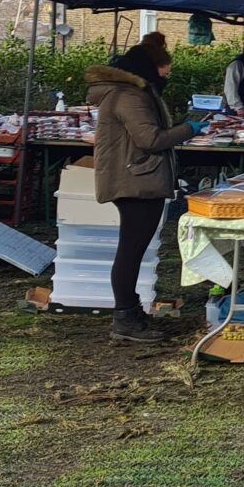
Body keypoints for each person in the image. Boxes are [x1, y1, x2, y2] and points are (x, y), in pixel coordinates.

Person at [86, 31, 199, 344]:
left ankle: (130, 311)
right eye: (164, 66)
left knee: (133, 250)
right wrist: (190, 129)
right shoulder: (131, 96)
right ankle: (125, 317)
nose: (168, 72)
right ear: (150, 67)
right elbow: (149, 140)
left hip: (136, 177)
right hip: (136, 180)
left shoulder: (132, 92)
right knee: (131, 251)